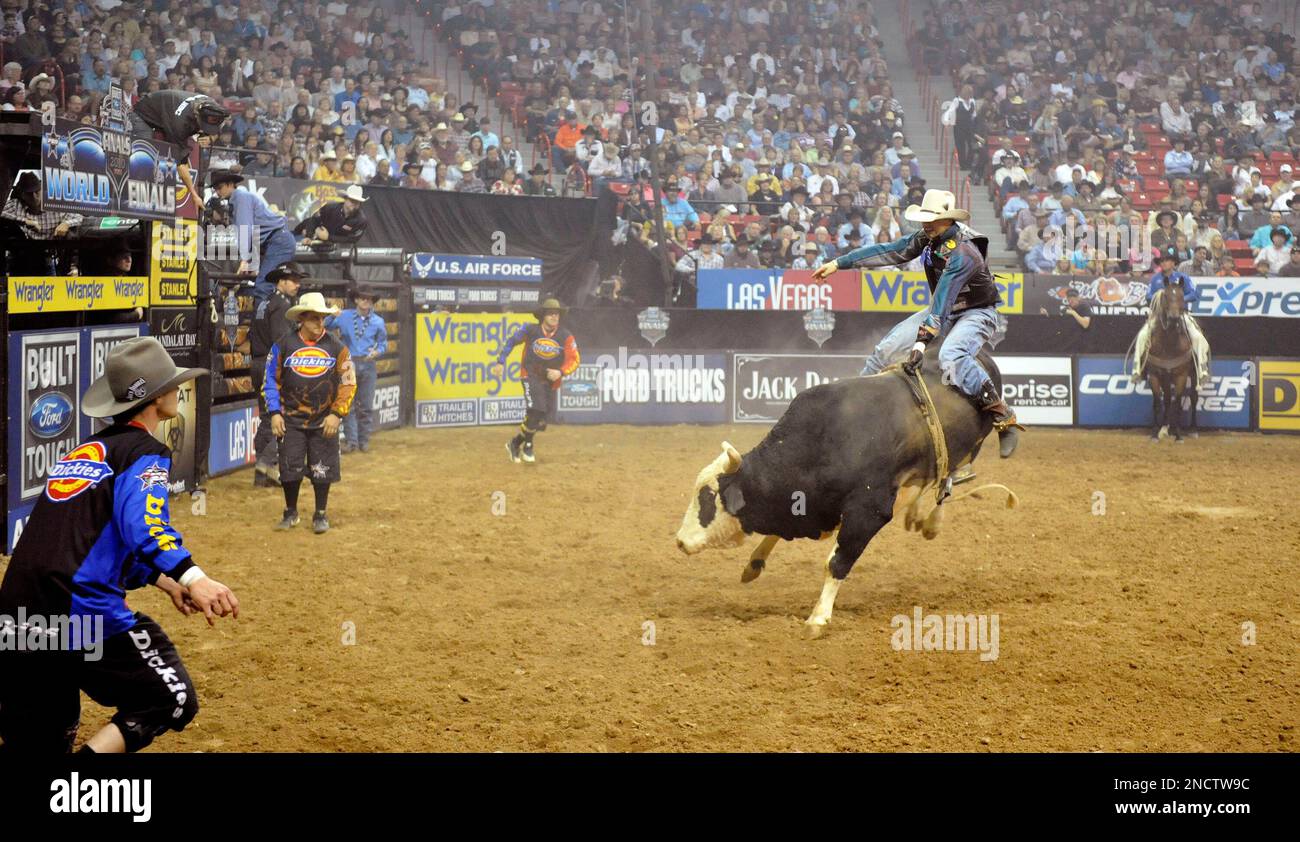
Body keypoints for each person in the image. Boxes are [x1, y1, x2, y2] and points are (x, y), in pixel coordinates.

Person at [0, 338, 238, 753]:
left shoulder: (84, 453)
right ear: (156, 397)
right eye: (172, 384)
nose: (176, 391)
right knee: (170, 699)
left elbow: (88, 545)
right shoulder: (145, 452)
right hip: (79, 613)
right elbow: (143, 526)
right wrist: (193, 577)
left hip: (18, 614)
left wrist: (165, 582)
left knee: (37, 741)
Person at [813, 189, 1023, 458]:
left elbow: (943, 299)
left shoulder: (965, 251)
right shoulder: (927, 238)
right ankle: (852, 411)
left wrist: (921, 345)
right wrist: (839, 263)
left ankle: (1002, 415)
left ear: (947, 220)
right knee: (885, 350)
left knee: (952, 355)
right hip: (943, 309)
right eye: (925, 218)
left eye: (932, 218)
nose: (926, 224)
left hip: (976, 312)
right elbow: (890, 251)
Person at [263, 292, 357, 534]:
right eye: (314, 318)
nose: (319, 323)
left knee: (322, 468)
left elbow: (348, 382)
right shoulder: (283, 345)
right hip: (290, 419)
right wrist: (274, 412)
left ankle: (320, 513)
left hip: (323, 419)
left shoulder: (338, 348)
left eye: (322, 318)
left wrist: (337, 413)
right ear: (302, 319)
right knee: (289, 468)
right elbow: (270, 380)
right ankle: (290, 511)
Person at [490, 298, 580, 464]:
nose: (555, 317)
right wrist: (500, 361)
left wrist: (560, 372)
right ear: (543, 316)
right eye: (551, 314)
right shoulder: (530, 329)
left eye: (557, 314)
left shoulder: (566, 336)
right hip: (530, 375)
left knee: (542, 419)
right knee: (536, 408)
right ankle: (528, 446)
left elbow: (574, 359)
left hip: (551, 381)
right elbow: (511, 341)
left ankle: (515, 443)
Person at [248, 263, 307, 487]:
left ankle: (262, 472)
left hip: (257, 362)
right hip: (271, 364)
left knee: (266, 416)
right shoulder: (282, 306)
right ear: (281, 281)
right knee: (281, 415)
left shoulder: (264, 302)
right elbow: (281, 341)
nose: (297, 285)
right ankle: (265, 463)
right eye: (293, 280)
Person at [129, 89, 230, 205]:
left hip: (166, 111)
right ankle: (137, 196)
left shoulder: (211, 106)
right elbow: (181, 164)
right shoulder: (179, 124)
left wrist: (210, 137)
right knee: (144, 153)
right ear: (197, 116)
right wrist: (194, 195)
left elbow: (218, 125)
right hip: (143, 113)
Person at [209, 169, 297, 303]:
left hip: (278, 241)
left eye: (219, 187)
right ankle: (268, 318)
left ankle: (261, 322)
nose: (218, 192)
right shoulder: (237, 200)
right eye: (215, 189)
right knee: (260, 286)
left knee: (263, 286)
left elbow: (246, 229)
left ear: (230, 184)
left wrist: (245, 260)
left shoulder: (240, 197)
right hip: (275, 241)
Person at [1134, 247, 1210, 386]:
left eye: (1167, 261)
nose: (1163, 263)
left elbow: (1194, 294)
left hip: (1181, 314)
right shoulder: (1155, 279)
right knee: (1142, 335)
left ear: (1173, 263)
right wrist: (1162, 297)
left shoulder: (1183, 278)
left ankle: (1202, 369)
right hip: (1159, 315)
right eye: (1161, 261)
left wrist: (1178, 300)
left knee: (1198, 337)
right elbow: (1148, 296)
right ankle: (1137, 369)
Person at [326, 287, 387, 453]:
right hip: (348, 364)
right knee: (348, 404)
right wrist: (332, 315)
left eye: (369, 299)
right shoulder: (344, 316)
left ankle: (364, 441)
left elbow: (383, 343)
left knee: (366, 405)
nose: (366, 301)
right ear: (356, 300)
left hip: (367, 365)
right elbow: (325, 326)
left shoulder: (378, 322)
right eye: (363, 298)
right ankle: (352, 441)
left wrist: (377, 351)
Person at [294, 184, 369, 248]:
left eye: (357, 202)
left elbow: (352, 239)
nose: (354, 204)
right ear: (345, 200)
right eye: (352, 200)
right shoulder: (329, 208)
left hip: (337, 246)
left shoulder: (361, 221)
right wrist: (309, 235)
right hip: (314, 236)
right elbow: (314, 219)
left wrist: (328, 237)